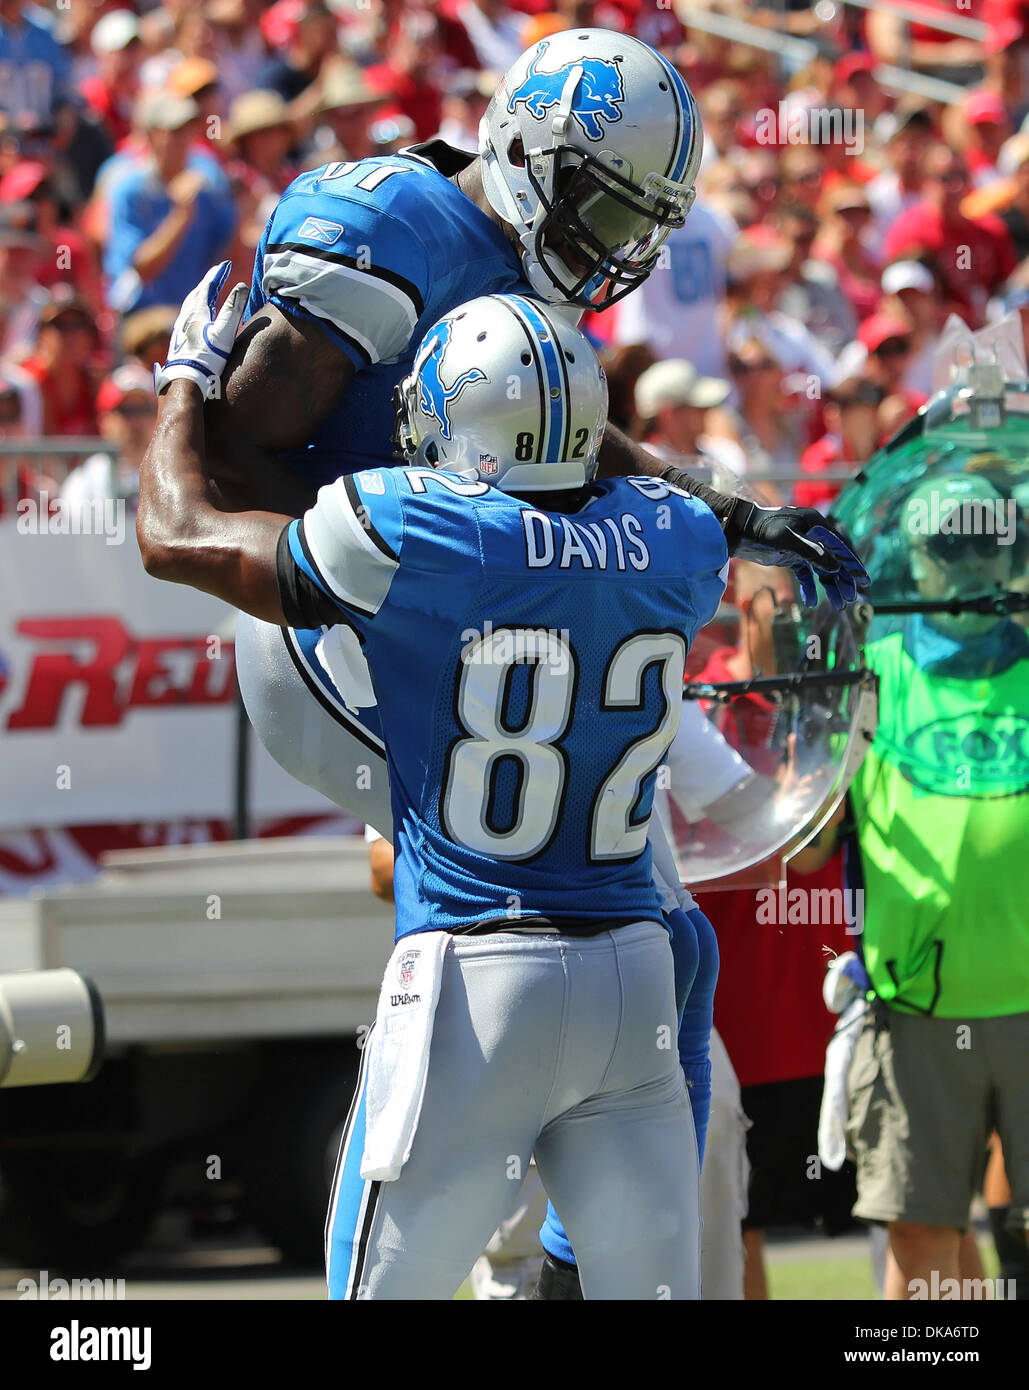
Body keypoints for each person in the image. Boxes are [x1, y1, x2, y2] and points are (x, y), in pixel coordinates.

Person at [138, 27, 868, 1295]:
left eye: (639, 220)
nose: (616, 250)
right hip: (334, 629)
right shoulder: (383, 239)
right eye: (601, 203)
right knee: (588, 902)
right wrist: (399, 569)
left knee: (642, 931)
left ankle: (540, 1229)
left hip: (437, 601)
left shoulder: (523, 298)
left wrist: (735, 505)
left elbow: (567, 438)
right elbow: (232, 469)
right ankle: (529, 1234)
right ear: (527, 151)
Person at [139, 278, 731, 1300]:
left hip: (477, 975)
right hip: (633, 978)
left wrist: (185, 385)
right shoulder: (678, 540)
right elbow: (628, 495)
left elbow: (175, 534)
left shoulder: (416, 528)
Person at [831, 469, 1029, 1299]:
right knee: (922, 1241)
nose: (969, 566)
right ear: (914, 558)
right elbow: (806, 857)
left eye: (987, 546)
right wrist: (815, 726)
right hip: (914, 1006)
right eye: (949, 548)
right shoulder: (870, 670)